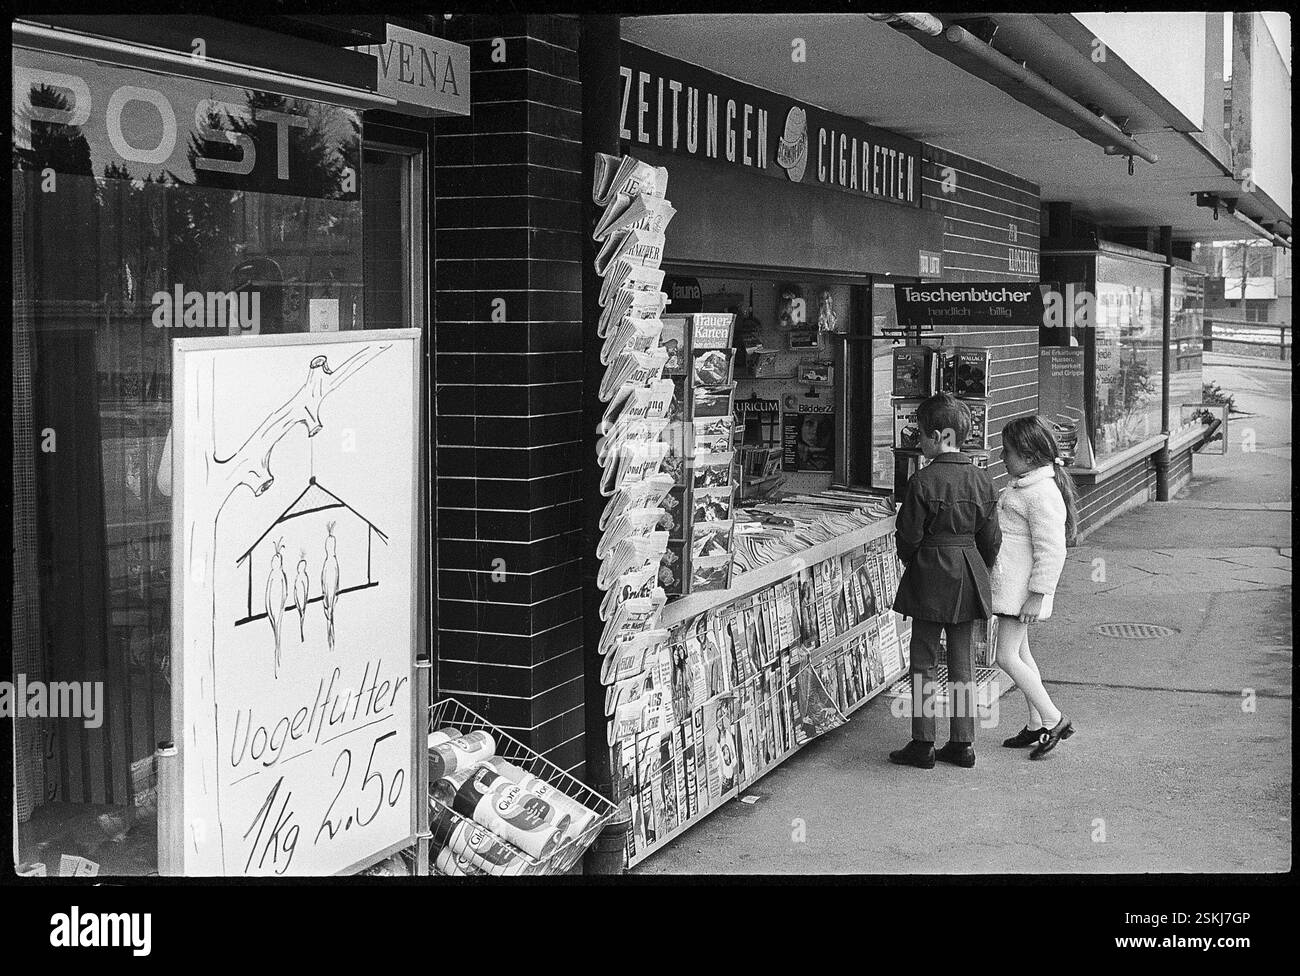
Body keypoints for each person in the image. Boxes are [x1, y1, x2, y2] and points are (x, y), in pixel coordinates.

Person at [889, 393, 1001, 770]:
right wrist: (976, 565)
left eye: (920, 435)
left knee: (922, 661)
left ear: (939, 436)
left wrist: (914, 561)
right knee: (962, 662)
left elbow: (907, 535)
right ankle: (963, 742)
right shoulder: (984, 481)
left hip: (929, 573)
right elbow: (992, 539)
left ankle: (923, 743)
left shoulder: (922, 481)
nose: (918, 442)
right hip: (968, 571)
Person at [990, 416, 1079, 759]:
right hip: (1014, 588)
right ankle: (1036, 724)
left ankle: (1055, 719)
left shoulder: (1041, 493)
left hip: (1022, 592)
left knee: (1005, 656)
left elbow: (1052, 550)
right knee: (1023, 654)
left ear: (1028, 456)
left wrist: (1037, 594)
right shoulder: (1026, 485)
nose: (1001, 456)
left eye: (1007, 451)